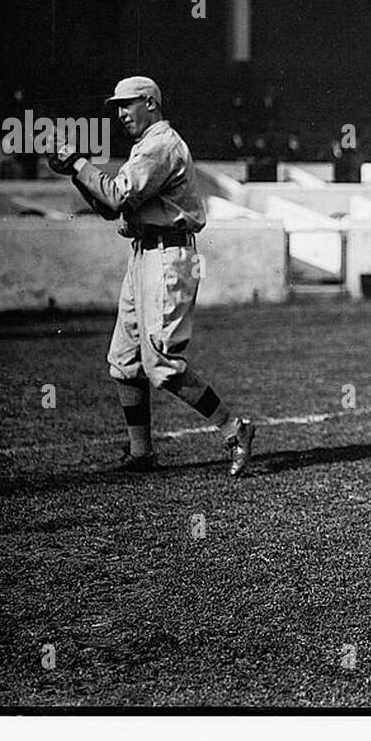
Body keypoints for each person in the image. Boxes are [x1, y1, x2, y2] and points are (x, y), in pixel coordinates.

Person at [49, 75, 255, 476]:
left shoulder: (161, 144)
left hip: (169, 256)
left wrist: (77, 162)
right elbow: (112, 207)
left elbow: (116, 196)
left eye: (128, 104)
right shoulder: (145, 146)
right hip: (144, 253)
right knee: (125, 361)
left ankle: (235, 428)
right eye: (118, 107)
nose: (121, 114)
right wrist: (75, 173)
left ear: (151, 103)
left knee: (160, 362)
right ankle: (141, 453)